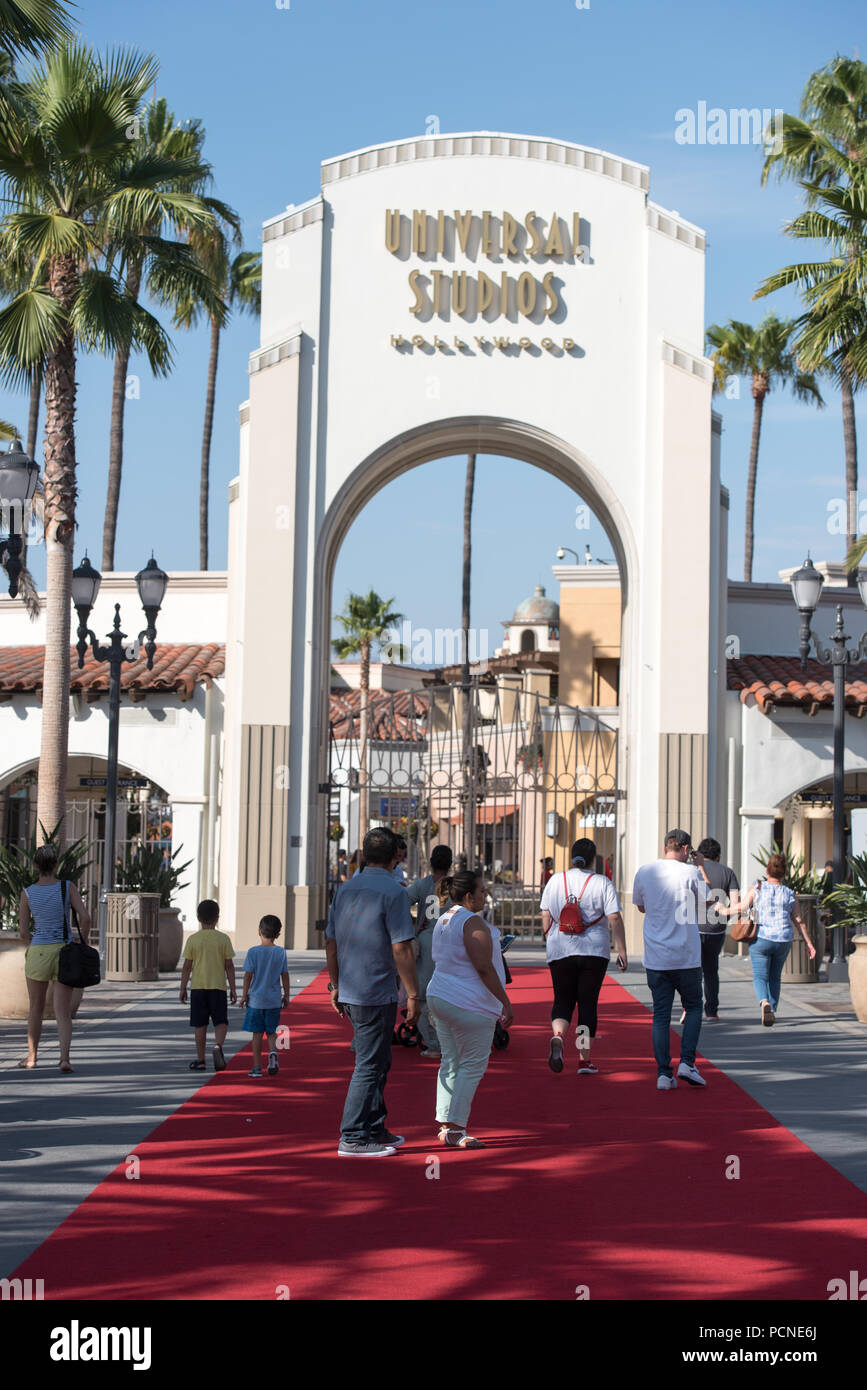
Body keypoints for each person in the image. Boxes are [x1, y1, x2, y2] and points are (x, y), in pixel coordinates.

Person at [325, 826, 420, 1157]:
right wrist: (413, 994)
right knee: (369, 1063)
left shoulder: (346, 889)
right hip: (375, 989)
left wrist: (336, 984)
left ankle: (374, 1126)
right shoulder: (394, 893)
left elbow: (331, 942)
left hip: (352, 986)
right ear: (395, 856)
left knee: (380, 1059)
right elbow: (402, 948)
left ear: (363, 855)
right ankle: (352, 1135)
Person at [427, 868, 513, 1148]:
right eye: (481, 890)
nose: (485, 893)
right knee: (472, 1065)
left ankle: (445, 1123)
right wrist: (505, 1002)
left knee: (451, 1060)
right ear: (468, 895)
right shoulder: (472, 923)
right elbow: (484, 968)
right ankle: (455, 1127)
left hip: (442, 996)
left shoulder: (445, 918)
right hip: (468, 1003)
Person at [540, 837, 627, 1075]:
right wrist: (622, 951)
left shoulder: (556, 879)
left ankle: (558, 1035)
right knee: (587, 1003)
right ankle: (583, 1059)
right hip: (593, 951)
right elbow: (614, 918)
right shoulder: (602, 882)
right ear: (593, 859)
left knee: (562, 1000)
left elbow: (546, 913)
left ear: (572, 857)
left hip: (560, 949)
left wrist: (549, 936)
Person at [632, 830, 710, 1090]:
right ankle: (687, 1061)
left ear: (666, 846)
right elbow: (708, 902)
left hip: (656, 956)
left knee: (661, 1016)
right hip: (686, 955)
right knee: (694, 1007)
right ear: (686, 849)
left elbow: (641, 906)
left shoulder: (644, 871)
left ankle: (664, 1073)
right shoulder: (691, 873)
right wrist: (701, 867)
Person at [17, 845, 91, 1073]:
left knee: (36, 1008)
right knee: (62, 1011)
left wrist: (33, 943)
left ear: (36, 866)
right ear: (56, 865)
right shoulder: (66, 888)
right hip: (64, 952)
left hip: (38, 951)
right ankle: (64, 1058)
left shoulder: (27, 893)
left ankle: (32, 1057)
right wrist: (82, 940)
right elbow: (85, 917)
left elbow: (22, 931)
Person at [740, 852, 816, 1026]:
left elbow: (743, 906)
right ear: (784, 873)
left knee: (760, 976)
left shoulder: (758, 887)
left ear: (767, 870)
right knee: (775, 976)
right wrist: (809, 944)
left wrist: (722, 910)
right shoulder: (789, 893)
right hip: (783, 939)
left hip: (761, 938)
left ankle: (764, 1001)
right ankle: (772, 1009)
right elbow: (799, 920)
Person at [407, 845, 454, 1059]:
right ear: (450, 864)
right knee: (449, 993)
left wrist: (412, 925)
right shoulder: (454, 886)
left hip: (427, 940)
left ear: (431, 863)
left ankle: (434, 1042)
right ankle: (451, 1040)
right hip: (450, 941)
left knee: (424, 993)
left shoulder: (423, 884)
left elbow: (402, 901)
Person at [179, 899, 236, 1072]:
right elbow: (229, 966)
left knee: (199, 1024)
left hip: (198, 988)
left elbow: (187, 967)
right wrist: (233, 988)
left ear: (198, 918)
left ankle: (201, 1059)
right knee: (221, 1021)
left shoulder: (193, 940)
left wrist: (183, 988)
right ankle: (218, 1046)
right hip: (218, 987)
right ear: (217, 918)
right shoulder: (223, 939)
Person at [693, 837, 739, 1022]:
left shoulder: (692, 870)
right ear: (718, 856)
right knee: (711, 970)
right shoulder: (728, 873)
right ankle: (711, 1010)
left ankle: (691, 1006)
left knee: (693, 969)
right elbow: (736, 904)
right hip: (715, 929)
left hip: (693, 927)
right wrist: (723, 917)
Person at [241, 915, 290, 1077]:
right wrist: (286, 996)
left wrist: (244, 995)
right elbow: (285, 975)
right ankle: (273, 1052)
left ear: (259, 932)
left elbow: (248, 976)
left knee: (256, 1033)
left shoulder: (253, 952)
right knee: (271, 1031)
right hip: (274, 1000)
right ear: (277, 934)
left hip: (256, 1000)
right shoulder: (280, 952)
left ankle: (256, 1067)